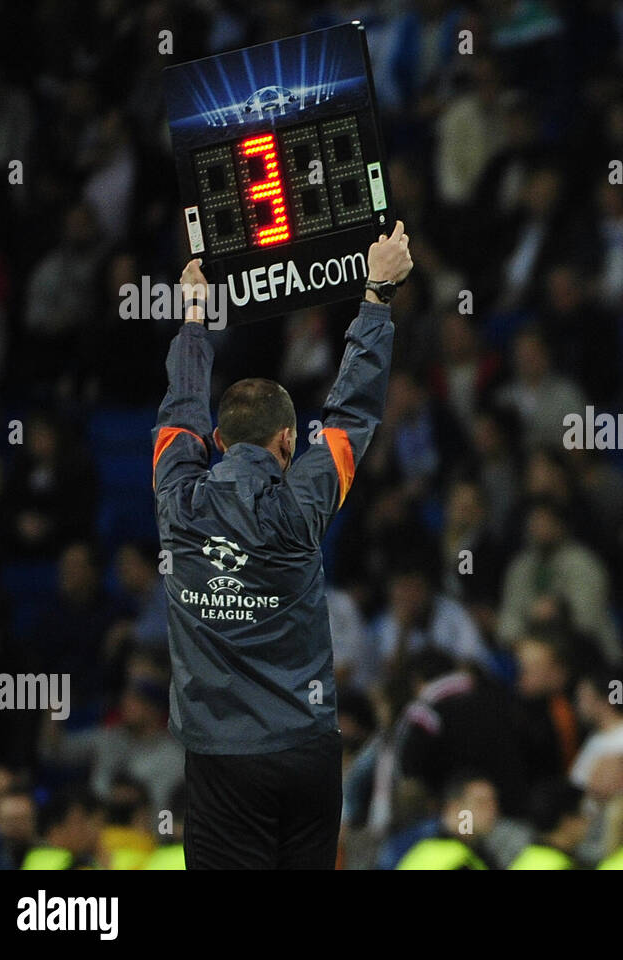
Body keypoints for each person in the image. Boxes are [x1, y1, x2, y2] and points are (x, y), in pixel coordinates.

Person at [152, 223, 413, 868]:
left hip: (220, 760)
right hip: (306, 750)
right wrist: (376, 296)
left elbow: (179, 408)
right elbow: (352, 413)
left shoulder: (176, 497)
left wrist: (194, 317)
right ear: (289, 444)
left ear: (215, 439)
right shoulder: (304, 503)